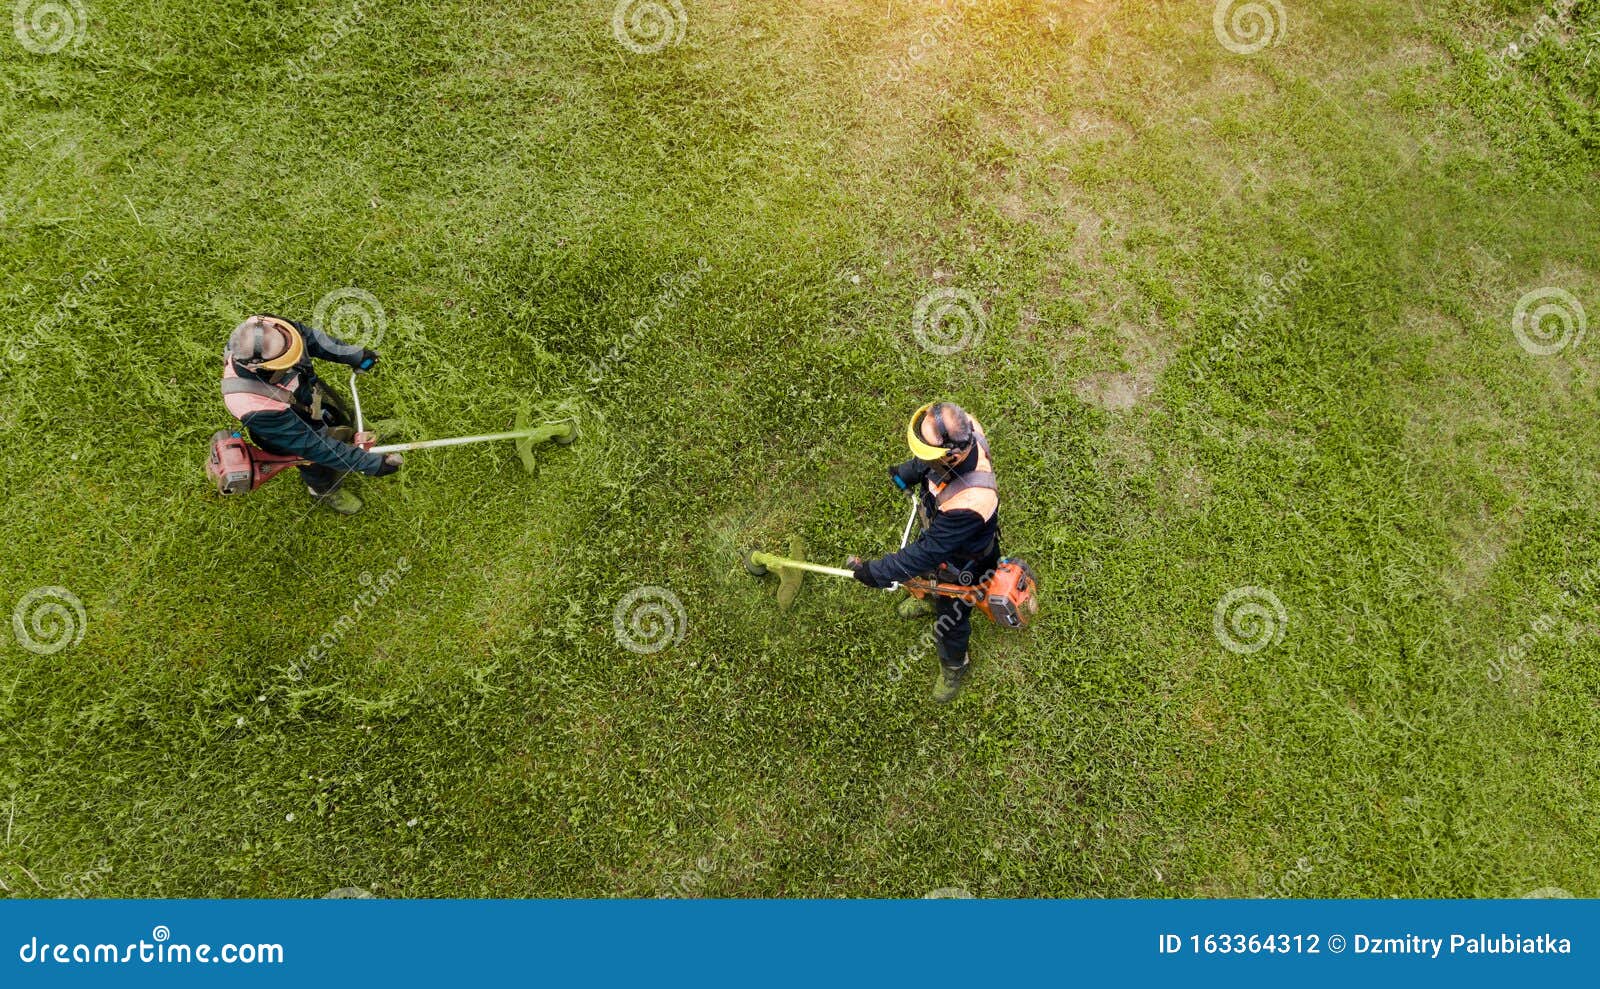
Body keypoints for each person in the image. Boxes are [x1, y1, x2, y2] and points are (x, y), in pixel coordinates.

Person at [849, 402, 1000, 703]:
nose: (922, 456)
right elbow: (930, 459)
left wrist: (876, 572)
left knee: (951, 621)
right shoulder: (963, 428)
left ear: (952, 454)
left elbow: (926, 553)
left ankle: (956, 664)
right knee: (929, 579)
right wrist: (909, 471)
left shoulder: (971, 501)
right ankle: (931, 599)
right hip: (943, 539)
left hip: (964, 566)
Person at [220, 315, 400, 515]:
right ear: (258, 367)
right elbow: (313, 446)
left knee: (341, 414)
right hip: (290, 433)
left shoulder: (272, 326)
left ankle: (365, 434)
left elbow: (310, 339)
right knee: (315, 465)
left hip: (309, 395)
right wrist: (370, 464)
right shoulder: (251, 404)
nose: (299, 358)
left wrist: (354, 355)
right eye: (290, 360)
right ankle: (324, 491)